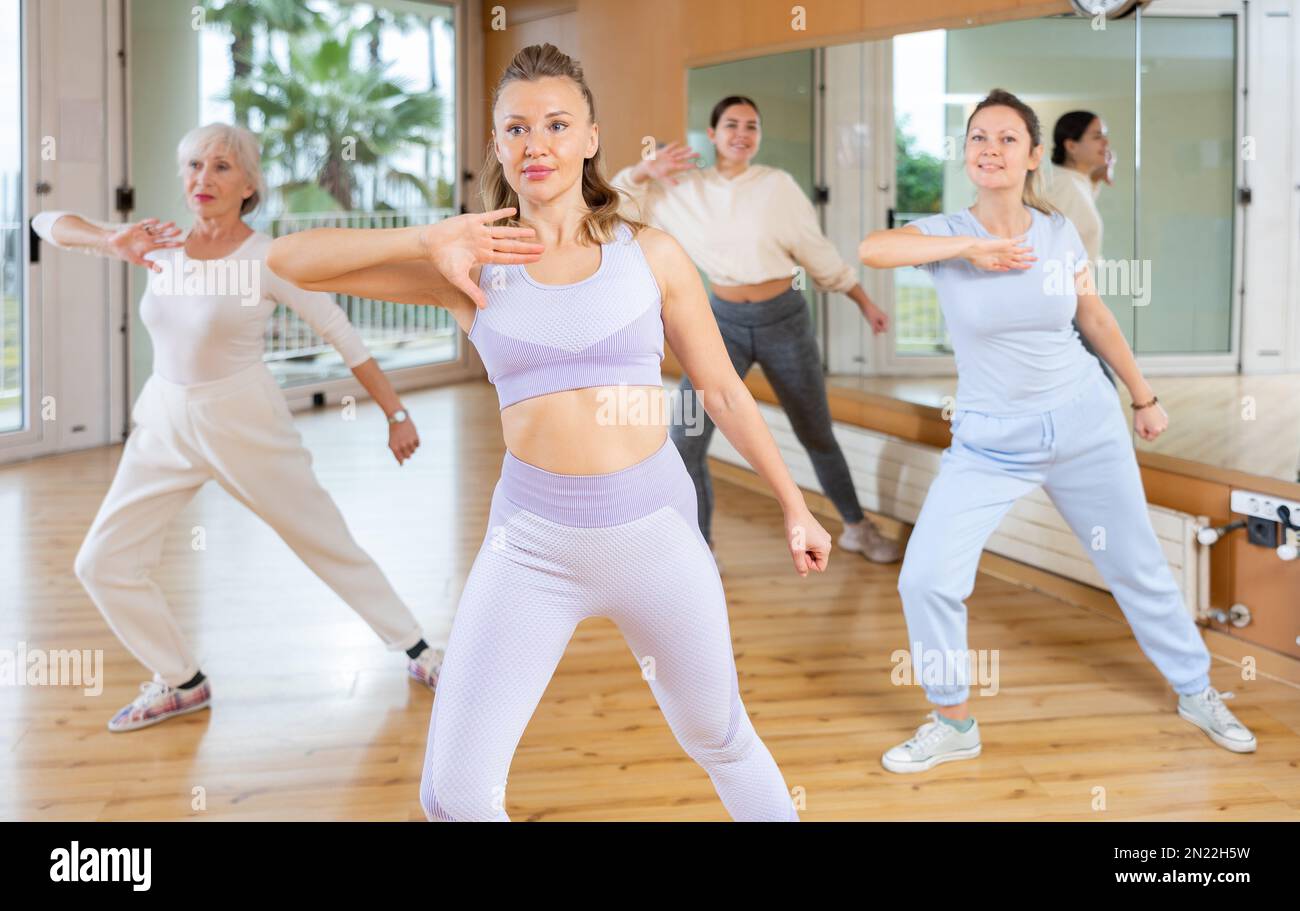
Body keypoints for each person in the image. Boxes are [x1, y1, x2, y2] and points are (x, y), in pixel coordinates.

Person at [267, 43, 832, 821]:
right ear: (497, 145)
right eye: (516, 129)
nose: (536, 145)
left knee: (721, 736)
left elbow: (724, 392)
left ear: (591, 137)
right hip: (532, 544)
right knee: (456, 791)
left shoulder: (651, 252)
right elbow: (289, 258)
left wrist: (793, 503)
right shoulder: (471, 269)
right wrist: (426, 238)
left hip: (658, 534)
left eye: (557, 124)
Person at [858, 89, 1255, 773]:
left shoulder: (1056, 230)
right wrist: (970, 247)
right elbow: (872, 248)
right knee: (925, 575)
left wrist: (1143, 395)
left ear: (1034, 155)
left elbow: (1093, 317)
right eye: (978, 137)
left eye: (1008, 138)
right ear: (966, 153)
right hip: (988, 441)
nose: (990, 148)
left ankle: (1197, 689)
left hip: (1083, 423)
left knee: (1136, 565)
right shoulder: (944, 235)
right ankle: (952, 719)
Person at [34, 123, 443, 733]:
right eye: (195, 164)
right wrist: (110, 238)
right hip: (165, 421)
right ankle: (180, 681)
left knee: (321, 538)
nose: (204, 177)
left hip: (244, 422)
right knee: (102, 561)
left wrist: (397, 413)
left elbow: (339, 330)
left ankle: (418, 650)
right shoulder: (156, 245)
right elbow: (47, 223)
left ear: (250, 184)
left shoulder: (266, 259)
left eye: (223, 167)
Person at [609, 97, 900, 567]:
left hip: (784, 319)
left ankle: (856, 528)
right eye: (731, 124)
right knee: (687, 437)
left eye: (751, 126)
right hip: (719, 321)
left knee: (815, 431)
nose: (742, 133)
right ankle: (700, 547)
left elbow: (815, 249)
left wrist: (862, 300)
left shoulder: (777, 186)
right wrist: (644, 171)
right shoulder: (681, 189)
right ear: (713, 131)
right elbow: (615, 208)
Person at [1044, 109, 1116, 385]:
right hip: (1065, 302)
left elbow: (1078, 223)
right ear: (1071, 146)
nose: (1106, 144)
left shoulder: (1073, 182)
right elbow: (1055, 243)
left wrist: (1097, 177)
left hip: (1071, 300)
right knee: (1102, 382)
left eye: (1106, 136)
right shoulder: (1066, 186)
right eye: (1097, 136)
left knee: (1094, 383)